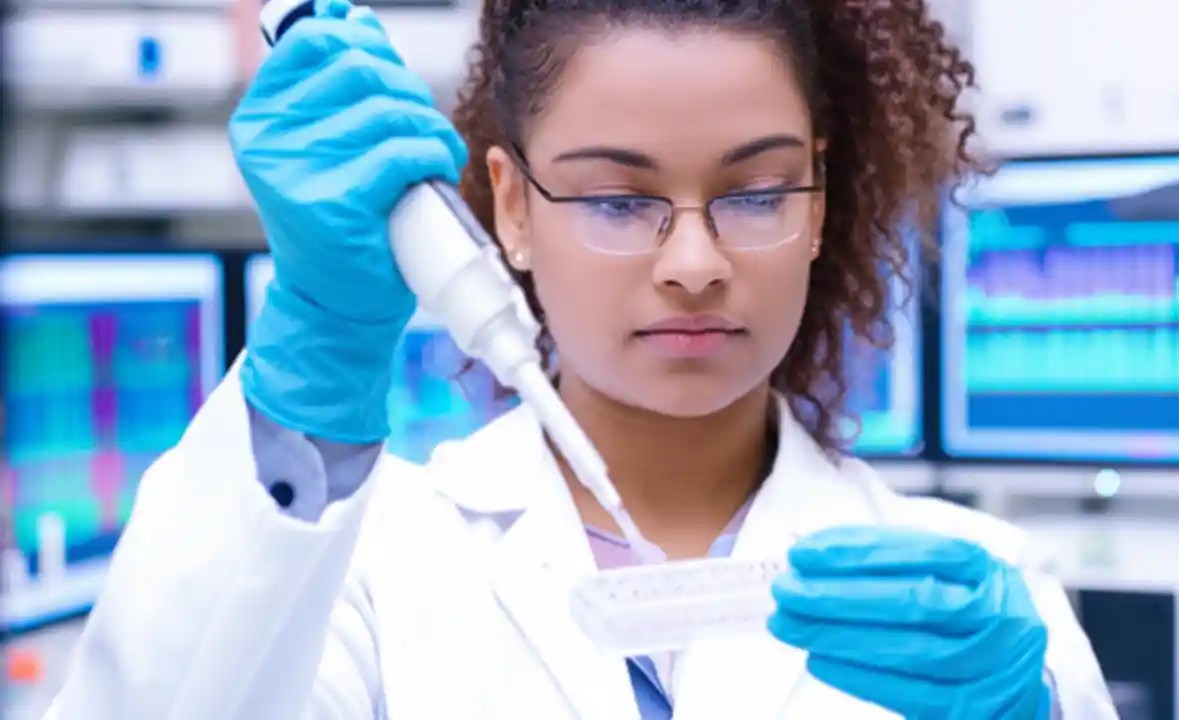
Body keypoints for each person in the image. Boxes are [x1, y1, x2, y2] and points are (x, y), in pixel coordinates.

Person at [45, 0, 1118, 717]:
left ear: (820, 202)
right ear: (508, 209)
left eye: (753, 192)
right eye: (616, 198)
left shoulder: (973, 597)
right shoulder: (367, 570)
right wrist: (311, 362)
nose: (692, 264)